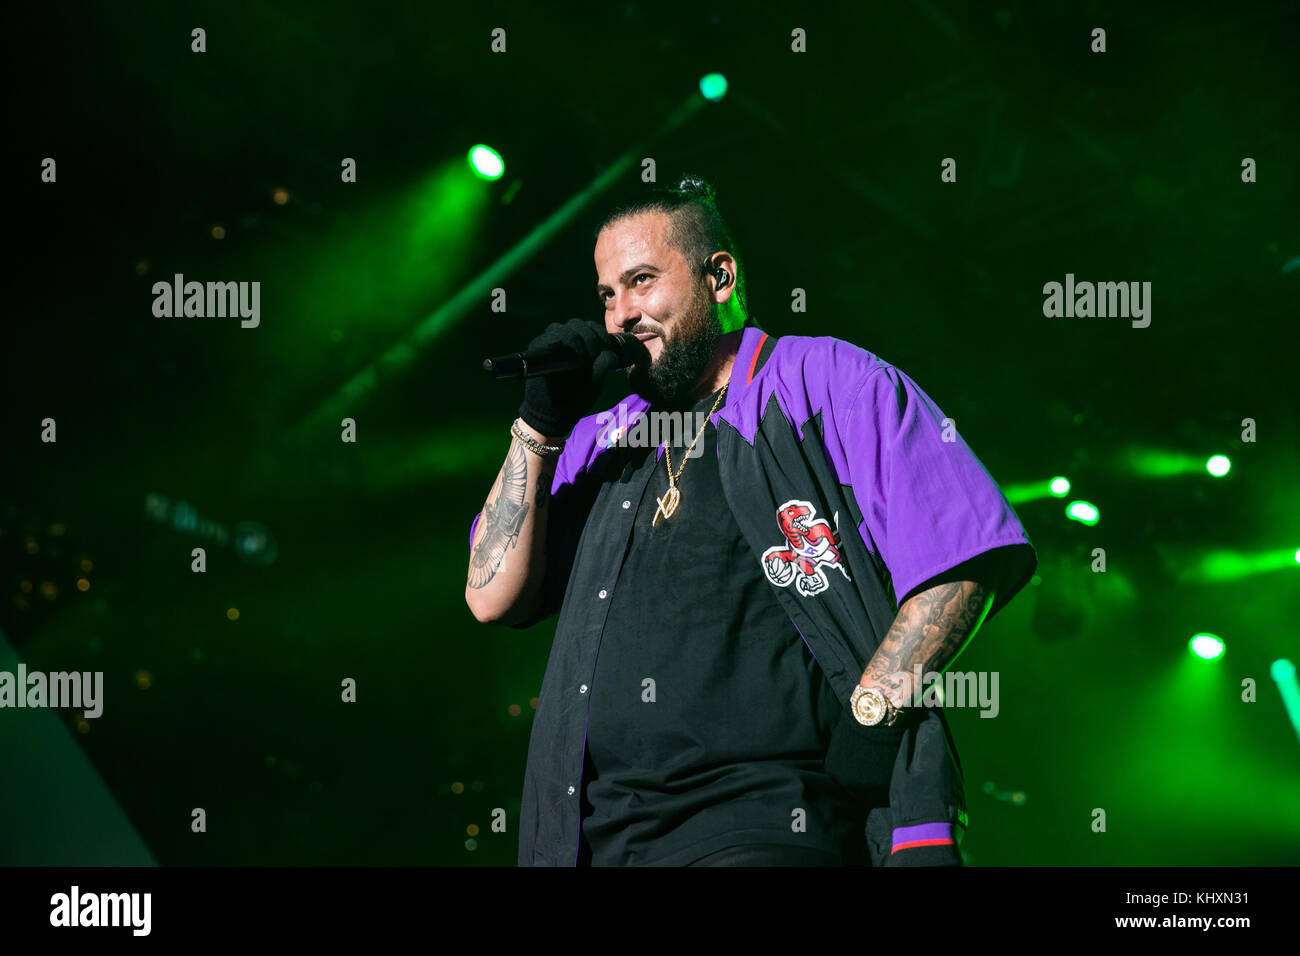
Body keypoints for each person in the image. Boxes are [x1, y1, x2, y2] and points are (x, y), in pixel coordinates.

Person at [465, 175, 1037, 867]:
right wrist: (538, 424)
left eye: (642, 281)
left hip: (768, 821)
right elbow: (490, 594)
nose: (620, 316)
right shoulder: (602, 439)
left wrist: (874, 712)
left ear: (720, 277)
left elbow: (965, 557)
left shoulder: (831, 381)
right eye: (607, 295)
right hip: (594, 838)